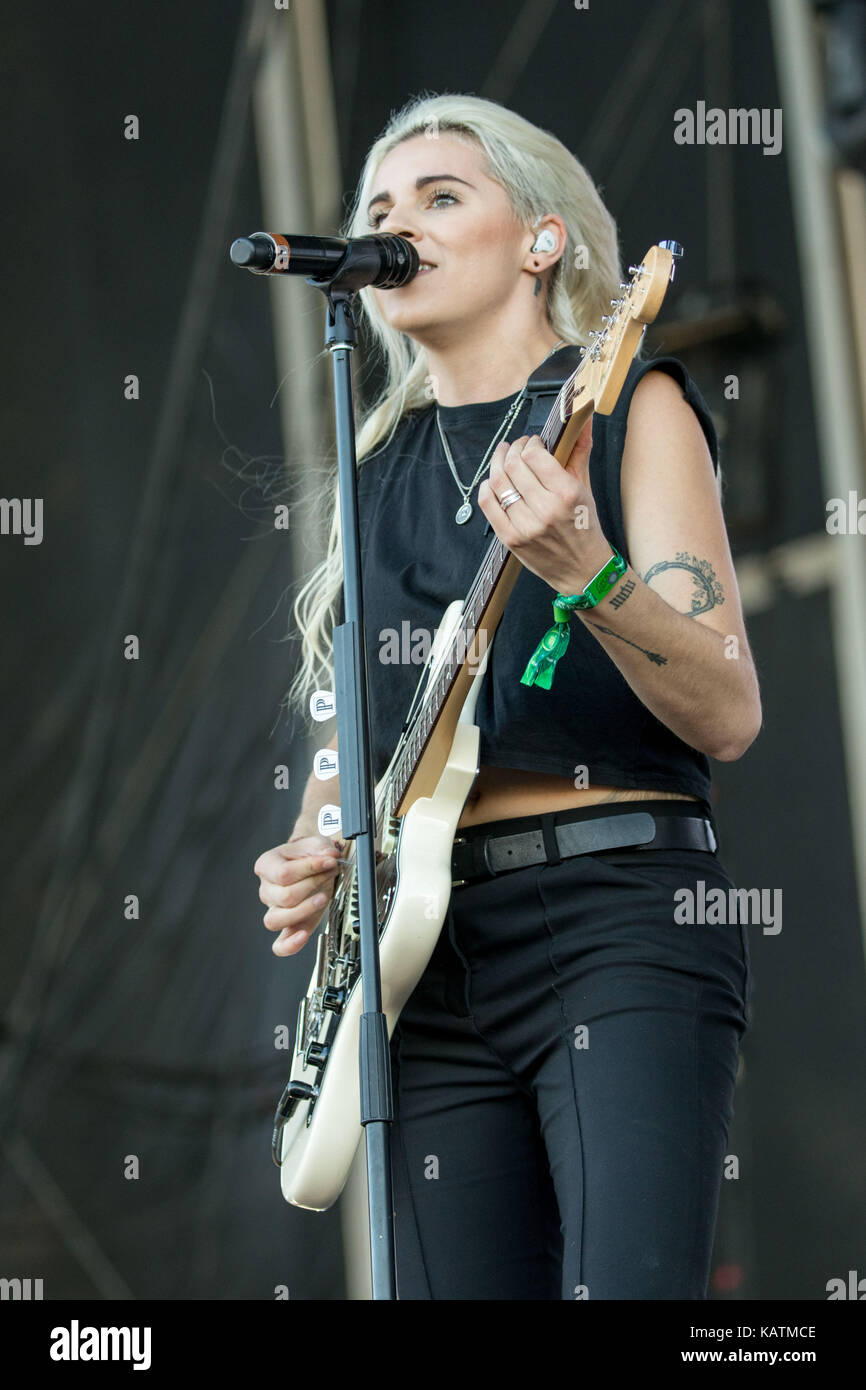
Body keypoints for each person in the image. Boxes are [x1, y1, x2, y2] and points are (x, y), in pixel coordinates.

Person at [253, 93, 762, 1300]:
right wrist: (316, 840)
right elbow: (357, 733)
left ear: (541, 241)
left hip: (616, 916)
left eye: (439, 198)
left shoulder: (628, 410)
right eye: (376, 210)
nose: (395, 226)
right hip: (421, 959)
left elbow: (727, 710)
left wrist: (588, 572)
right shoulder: (377, 469)